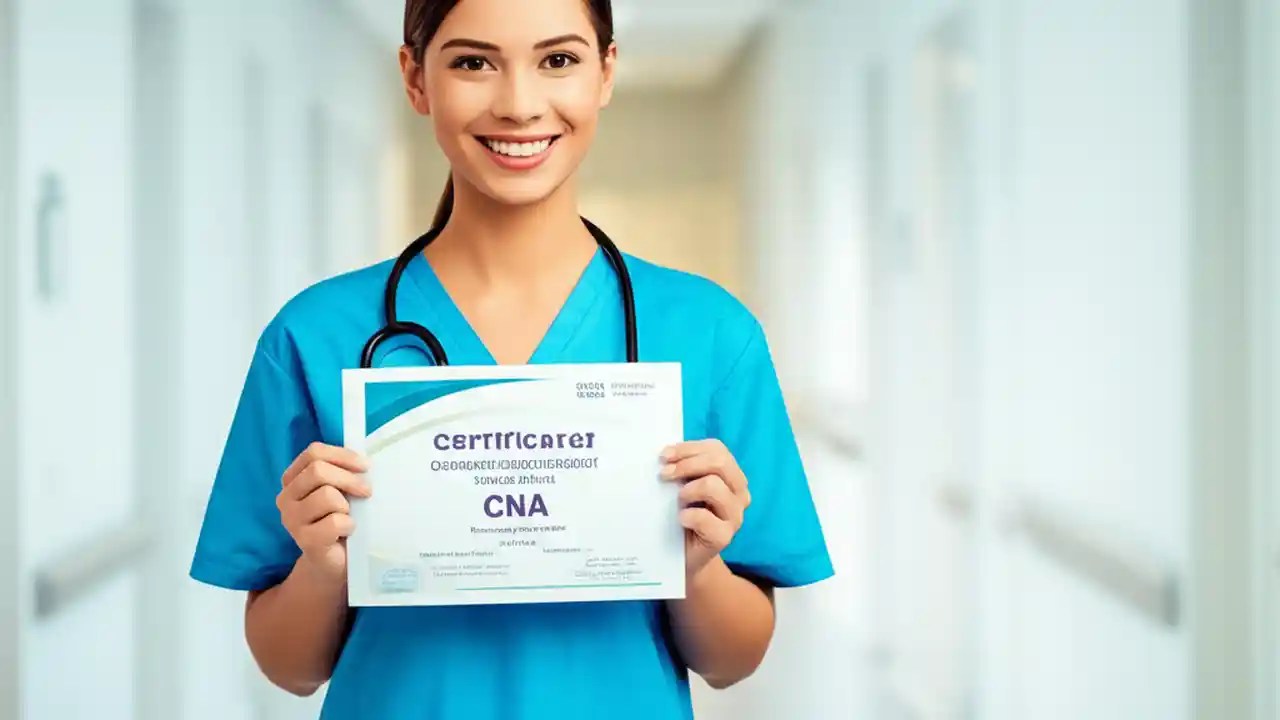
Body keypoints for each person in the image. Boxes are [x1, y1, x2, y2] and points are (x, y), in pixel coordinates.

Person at [188, 0, 833, 717]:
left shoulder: (711, 333)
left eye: (558, 60)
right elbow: (289, 668)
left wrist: (697, 566)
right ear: (415, 78)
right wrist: (322, 568)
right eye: (472, 62)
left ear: (606, 72)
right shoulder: (312, 337)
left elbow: (734, 662)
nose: (520, 104)